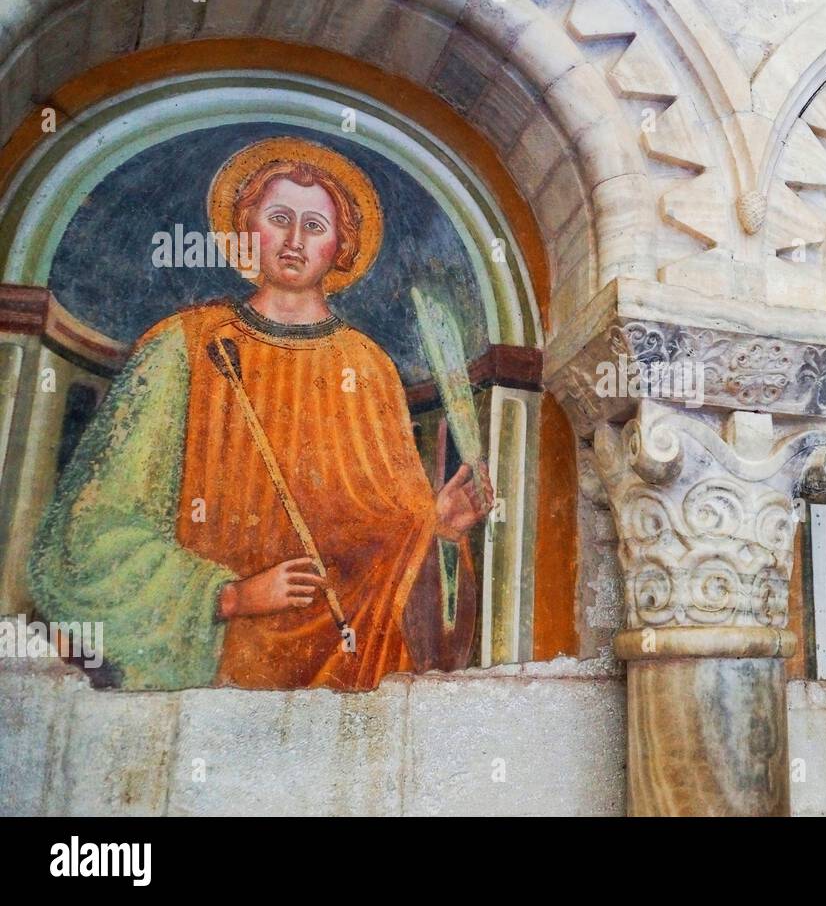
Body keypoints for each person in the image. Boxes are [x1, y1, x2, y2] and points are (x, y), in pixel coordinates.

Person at [29, 136, 491, 691]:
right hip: (214, 662)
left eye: (316, 227)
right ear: (247, 229)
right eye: (279, 218)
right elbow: (90, 533)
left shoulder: (369, 369)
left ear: (340, 246)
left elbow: (388, 537)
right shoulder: (184, 346)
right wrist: (232, 596)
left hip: (351, 659)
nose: (295, 240)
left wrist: (435, 527)